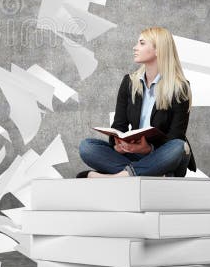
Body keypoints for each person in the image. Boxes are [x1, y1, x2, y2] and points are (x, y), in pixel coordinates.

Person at [78, 27, 196, 178]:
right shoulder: (129, 82)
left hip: (160, 155)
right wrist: (119, 145)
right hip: (133, 155)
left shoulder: (180, 88)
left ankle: (118, 176)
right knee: (87, 147)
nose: (135, 47)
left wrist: (147, 149)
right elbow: (119, 125)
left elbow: (175, 136)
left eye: (141, 43)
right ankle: (147, 173)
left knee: (179, 147)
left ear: (158, 50)